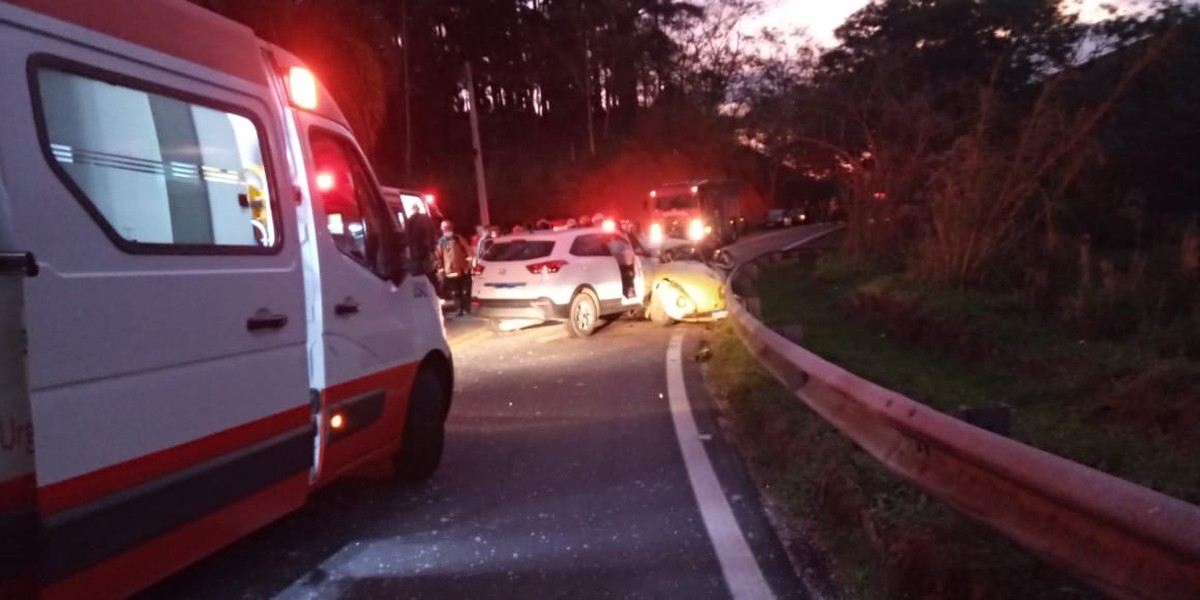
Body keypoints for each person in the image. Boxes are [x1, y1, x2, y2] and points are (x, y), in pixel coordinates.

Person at [435, 220, 472, 316]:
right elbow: (438, 257)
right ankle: (459, 309)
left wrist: (468, 265)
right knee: (455, 292)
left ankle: (466, 308)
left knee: (465, 290)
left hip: (462, 270)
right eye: (445, 228)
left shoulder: (458, 239)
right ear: (442, 230)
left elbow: (469, 252)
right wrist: (441, 271)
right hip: (450, 272)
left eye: (449, 228)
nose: (447, 230)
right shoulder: (441, 242)